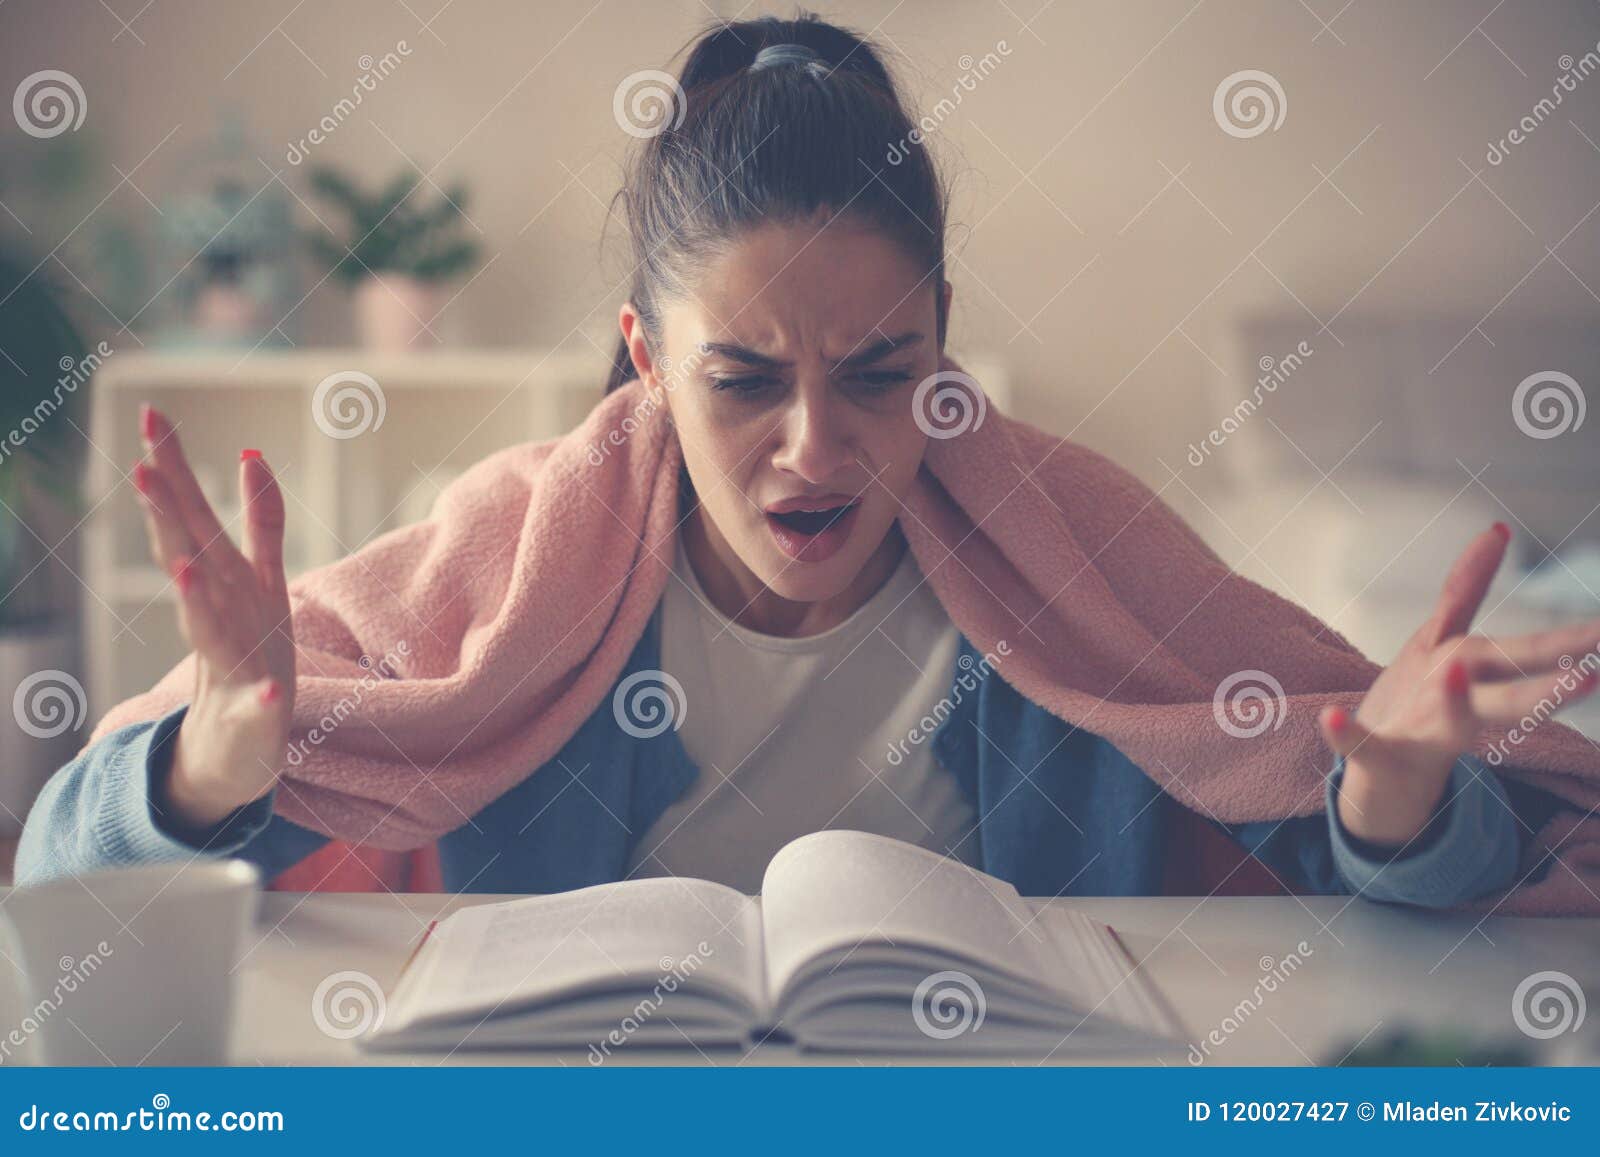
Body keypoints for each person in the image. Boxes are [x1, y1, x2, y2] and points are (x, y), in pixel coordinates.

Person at [17, 14, 1595, 904]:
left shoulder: (1072, 533)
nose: (815, 447)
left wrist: (1388, 800)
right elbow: (70, 861)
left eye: (881, 371)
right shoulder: (511, 545)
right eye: (744, 380)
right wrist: (219, 753)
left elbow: (1405, 866)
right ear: (644, 361)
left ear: (946, 342)